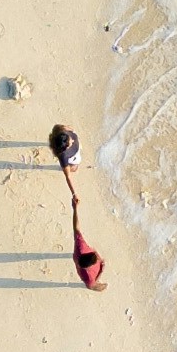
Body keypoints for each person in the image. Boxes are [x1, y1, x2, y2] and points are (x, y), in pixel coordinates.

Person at [48, 123, 104, 291]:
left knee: (76, 165)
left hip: (79, 256)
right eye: (70, 141)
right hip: (72, 161)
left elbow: (76, 227)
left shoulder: (65, 133)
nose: (72, 140)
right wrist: (74, 193)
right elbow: (91, 284)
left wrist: (75, 208)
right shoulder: (65, 158)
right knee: (75, 168)